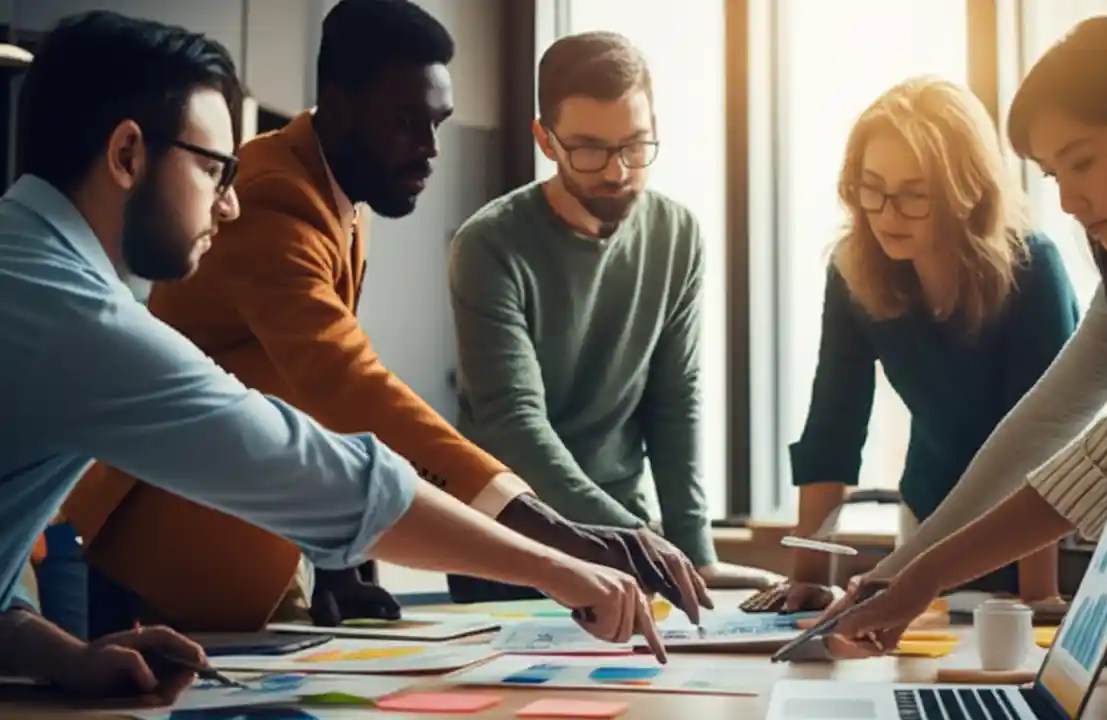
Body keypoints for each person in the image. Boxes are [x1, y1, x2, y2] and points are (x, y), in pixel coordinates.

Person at [0, 9, 670, 700]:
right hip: (170, 545)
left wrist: (59, 653)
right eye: (211, 170)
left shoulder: (32, 273)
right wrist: (556, 562)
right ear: (127, 155)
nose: (224, 208)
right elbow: (320, 456)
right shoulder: (74, 316)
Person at [819, 15, 1107, 657]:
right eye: (1055, 174)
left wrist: (924, 576)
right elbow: (1035, 428)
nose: (1068, 202)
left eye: (1083, 162)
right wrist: (898, 572)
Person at [448, 30, 778, 601]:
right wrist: (634, 539)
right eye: (589, 149)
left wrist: (695, 554)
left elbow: (675, 399)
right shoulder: (489, 244)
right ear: (545, 141)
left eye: (635, 145)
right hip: (511, 545)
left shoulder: (678, 235)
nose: (618, 171)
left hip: (631, 546)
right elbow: (515, 422)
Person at [742, 77, 1078, 614]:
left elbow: (1044, 441)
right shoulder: (853, 269)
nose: (888, 214)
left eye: (914, 194)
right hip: (929, 513)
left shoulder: (1032, 268)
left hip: (1040, 530)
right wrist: (807, 575)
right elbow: (833, 428)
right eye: (870, 188)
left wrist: (1036, 595)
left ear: (965, 192)